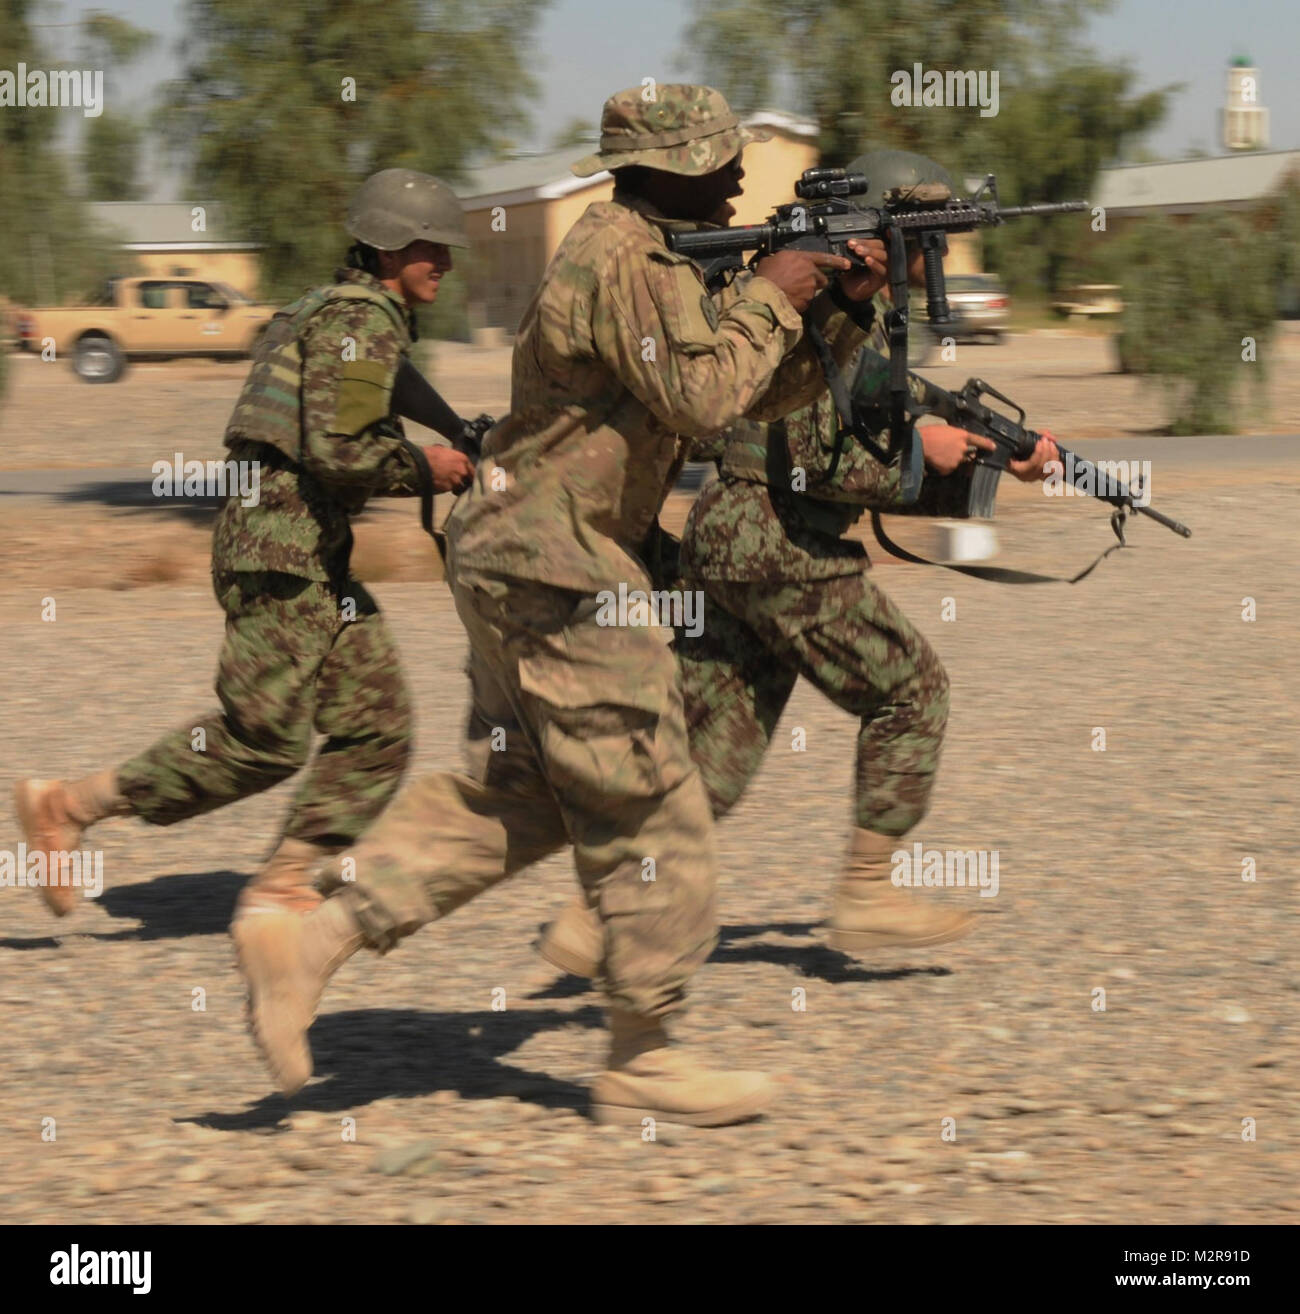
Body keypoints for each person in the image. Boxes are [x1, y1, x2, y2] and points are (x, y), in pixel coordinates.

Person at [234, 85, 888, 1127]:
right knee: (655, 793)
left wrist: (837, 311)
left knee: (523, 798)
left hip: (530, 557)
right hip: (557, 563)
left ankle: (307, 947)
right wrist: (776, 288)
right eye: (717, 161)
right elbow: (699, 399)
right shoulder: (624, 255)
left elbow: (749, 396)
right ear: (666, 166)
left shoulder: (657, 259)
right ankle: (642, 1049)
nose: (735, 179)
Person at [537, 150, 1060, 979]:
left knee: (714, 760)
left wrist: (1005, 458)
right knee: (912, 690)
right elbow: (827, 459)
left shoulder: (842, 316)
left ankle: (597, 918)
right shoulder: (814, 307)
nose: (939, 262)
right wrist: (926, 461)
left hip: (735, 542)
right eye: (927, 243)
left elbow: (898, 418)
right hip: (772, 538)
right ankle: (866, 889)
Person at [13, 170, 476, 921]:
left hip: (306, 555)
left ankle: (288, 879)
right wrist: (429, 465)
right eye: (433, 249)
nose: (447, 264)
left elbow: (372, 400)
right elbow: (337, 450)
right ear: (392, 246)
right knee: (263, 739)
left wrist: (452, 430)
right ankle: (68, 807)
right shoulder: (363, 320)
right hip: (280, 556)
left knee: (378, 724)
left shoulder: (324, 311)